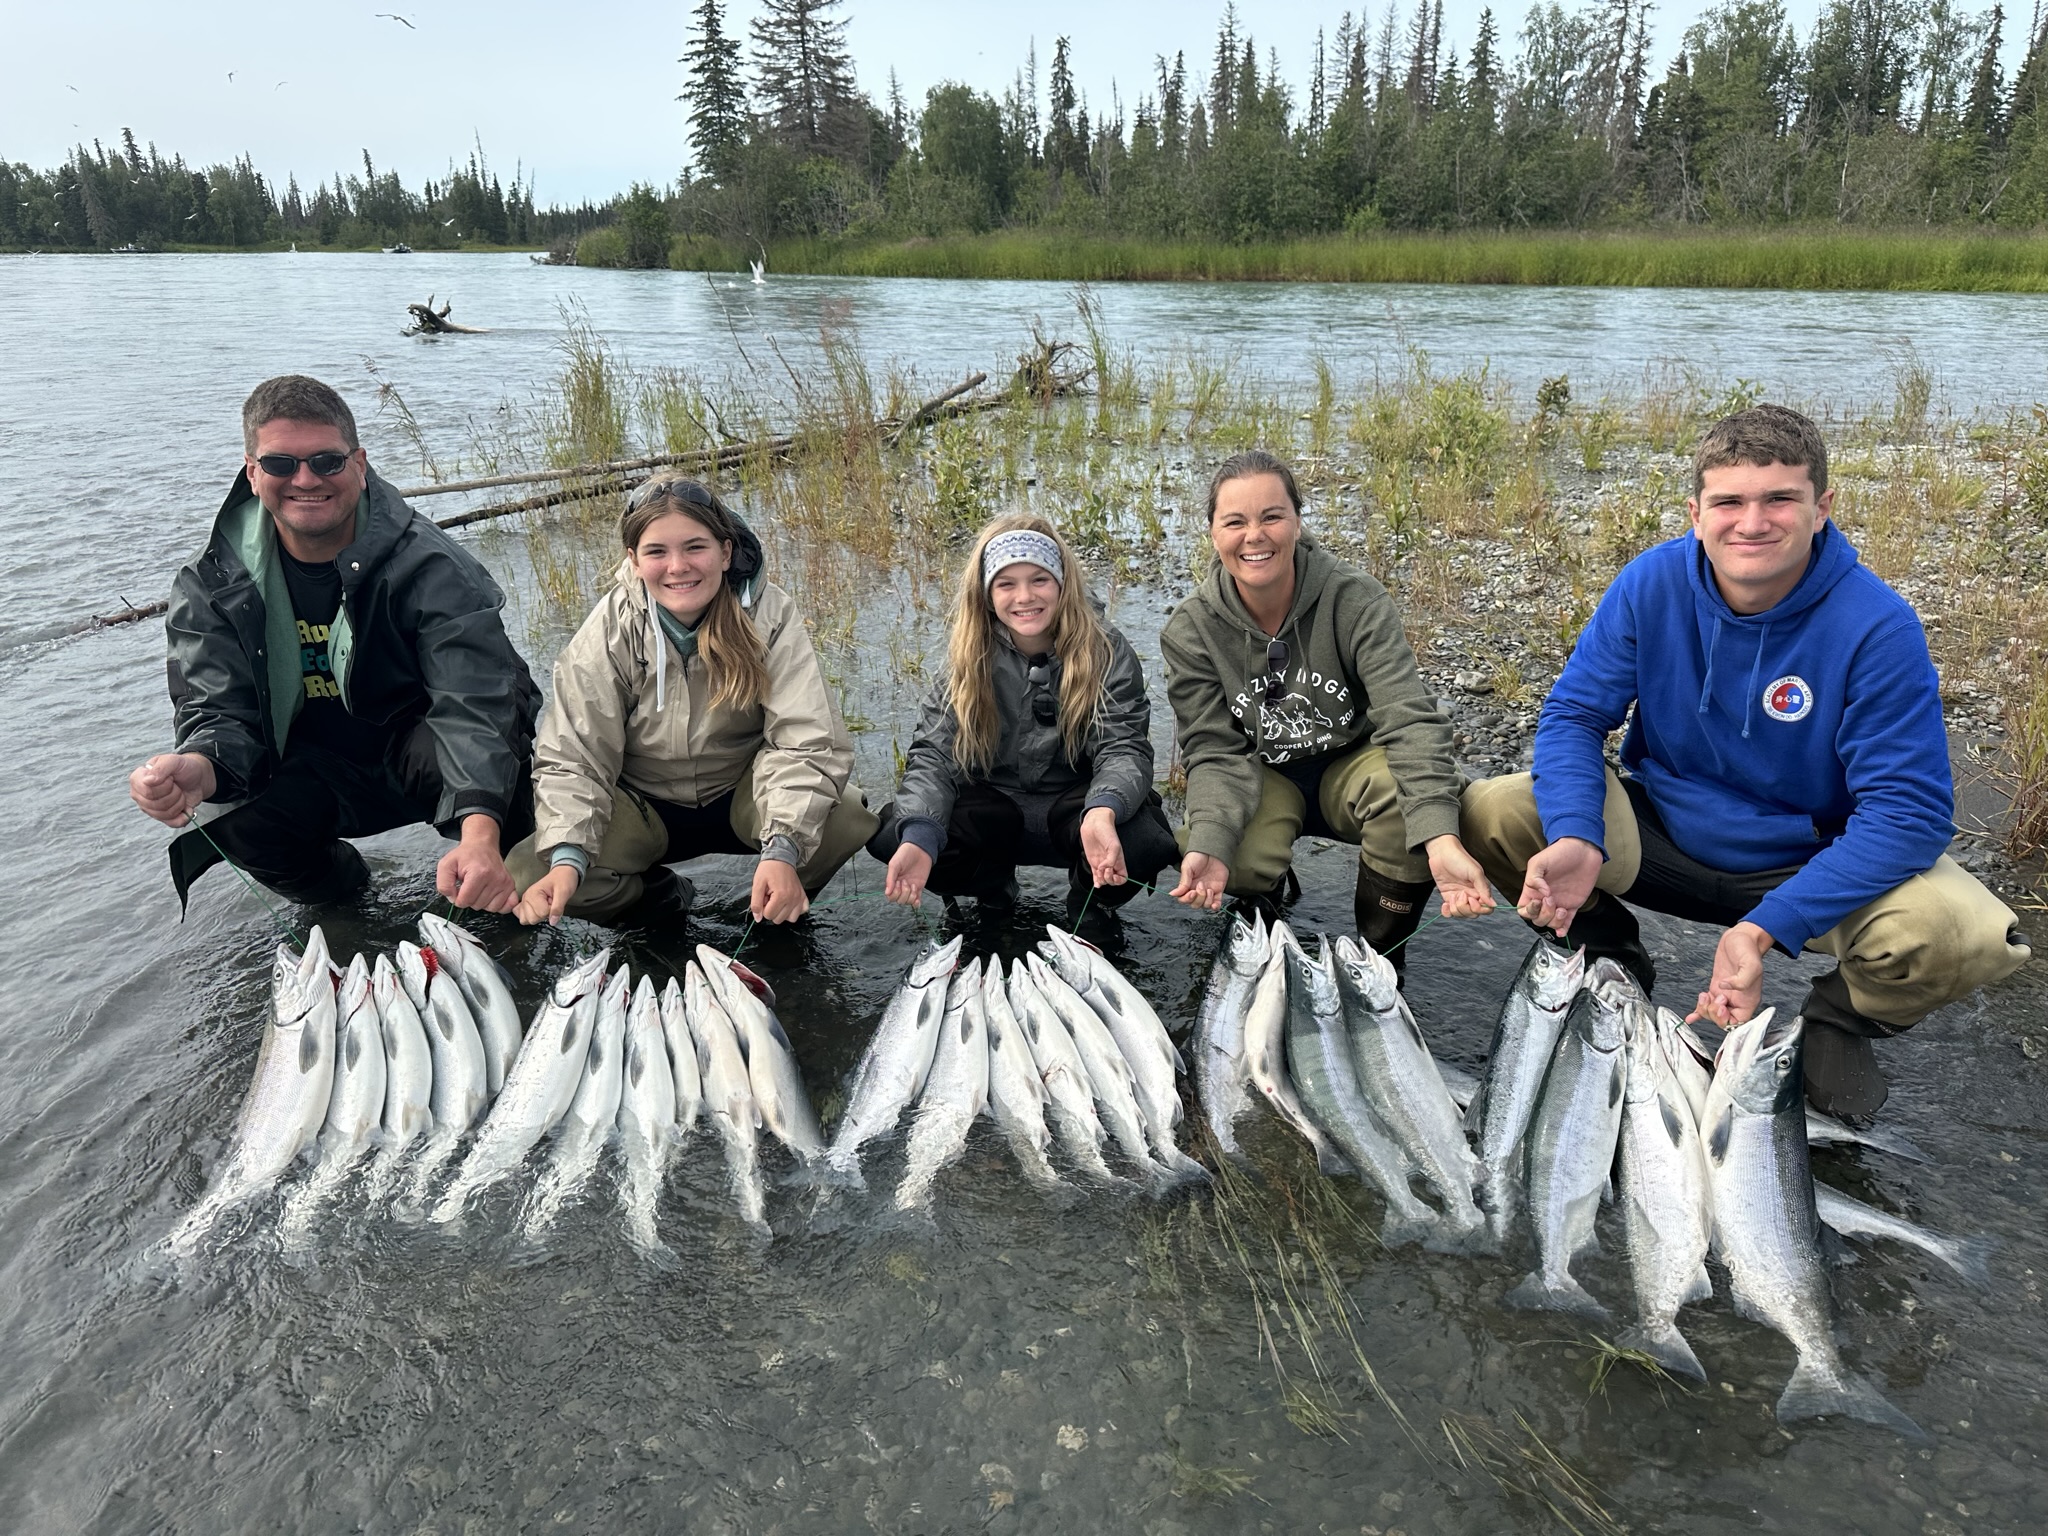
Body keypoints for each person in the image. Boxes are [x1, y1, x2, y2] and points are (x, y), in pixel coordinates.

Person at [1461, 403, 2029, 1119]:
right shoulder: (1651, 585)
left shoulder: (1877, 626)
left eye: (1779, 500)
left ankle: (1838, 1023)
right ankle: (1608, 954)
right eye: (1728, 501)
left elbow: (1909, 815)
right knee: (1495, 809)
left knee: (1964, 934)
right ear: (1696, 511)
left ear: (1821, 507)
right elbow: (1574, 716)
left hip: (1805, 857)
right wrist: (1577, 835)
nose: (1751, 523)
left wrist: (1768, 927)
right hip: (1666, 833)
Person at [129, 375, 539, 911]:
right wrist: (200, 766)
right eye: (280, 464)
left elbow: (477, 704)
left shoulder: (433, 564)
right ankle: (346, 901)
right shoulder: (211, 584)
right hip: (307, 770)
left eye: (326, 461)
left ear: (359, 464)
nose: (305, 479)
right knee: (226, 814)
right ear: (253, 473)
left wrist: (481, 833)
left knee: (504, 778)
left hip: (420, 752)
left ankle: (506, 884)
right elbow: (216, 709)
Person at [1161, 449, 1494, 975]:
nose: (1255, 536)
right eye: (1235, 522)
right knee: (1226, 854)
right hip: (1261, 773)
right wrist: (1208, 842)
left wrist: (1441, 837)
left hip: (1351, 763)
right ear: (1213, 534)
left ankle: (1381, 961)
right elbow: (1213, 750)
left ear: (1296, 520)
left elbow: (1408, 719)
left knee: (1408, 804)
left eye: (1272, 516)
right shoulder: (1191, 628)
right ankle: (1261, 919)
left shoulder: (1354, 599)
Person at [508, 475, 876, 926]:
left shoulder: (771, 615)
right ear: (634, 560)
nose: (678, 566)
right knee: (530, 872)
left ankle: (777, 907)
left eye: (695, 547)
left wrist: (783, 847)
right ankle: (655, 905)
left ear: (725, 552)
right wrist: (567, 859)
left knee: (845, 818)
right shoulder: (608, 629)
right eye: (657, 552)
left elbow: (805, 739)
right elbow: (574, 757)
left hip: (744, 792)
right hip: (644, 803)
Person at [868, 514, 1180, 922]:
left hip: (1076, 806)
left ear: (1062, 585)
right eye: (1006, 583)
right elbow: (932, 757)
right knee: (901, 830)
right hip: (993, 807)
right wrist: (920, 837)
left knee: (1144, 841)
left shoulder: (1108, 649)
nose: (1024, 597)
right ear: (986, 593)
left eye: (1039, 579)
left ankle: (1088, 905)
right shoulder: (966, 657)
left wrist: (1103, 809)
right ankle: (992, 887)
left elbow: (1124, 748)